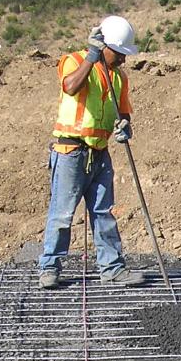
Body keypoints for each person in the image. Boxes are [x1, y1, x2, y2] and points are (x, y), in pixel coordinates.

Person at [37, 15, 144, 289]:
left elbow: (123, 112)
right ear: (104, 47)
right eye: (118, 53)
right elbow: (71, 87)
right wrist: (91, 58)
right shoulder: (74, 61)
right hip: (71, 152)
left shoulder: (119, 77)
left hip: (100, 153)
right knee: (62, 214)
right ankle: (49, 268)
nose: (123, 60)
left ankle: (112, 269)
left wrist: (124, 126)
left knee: (103, 213)